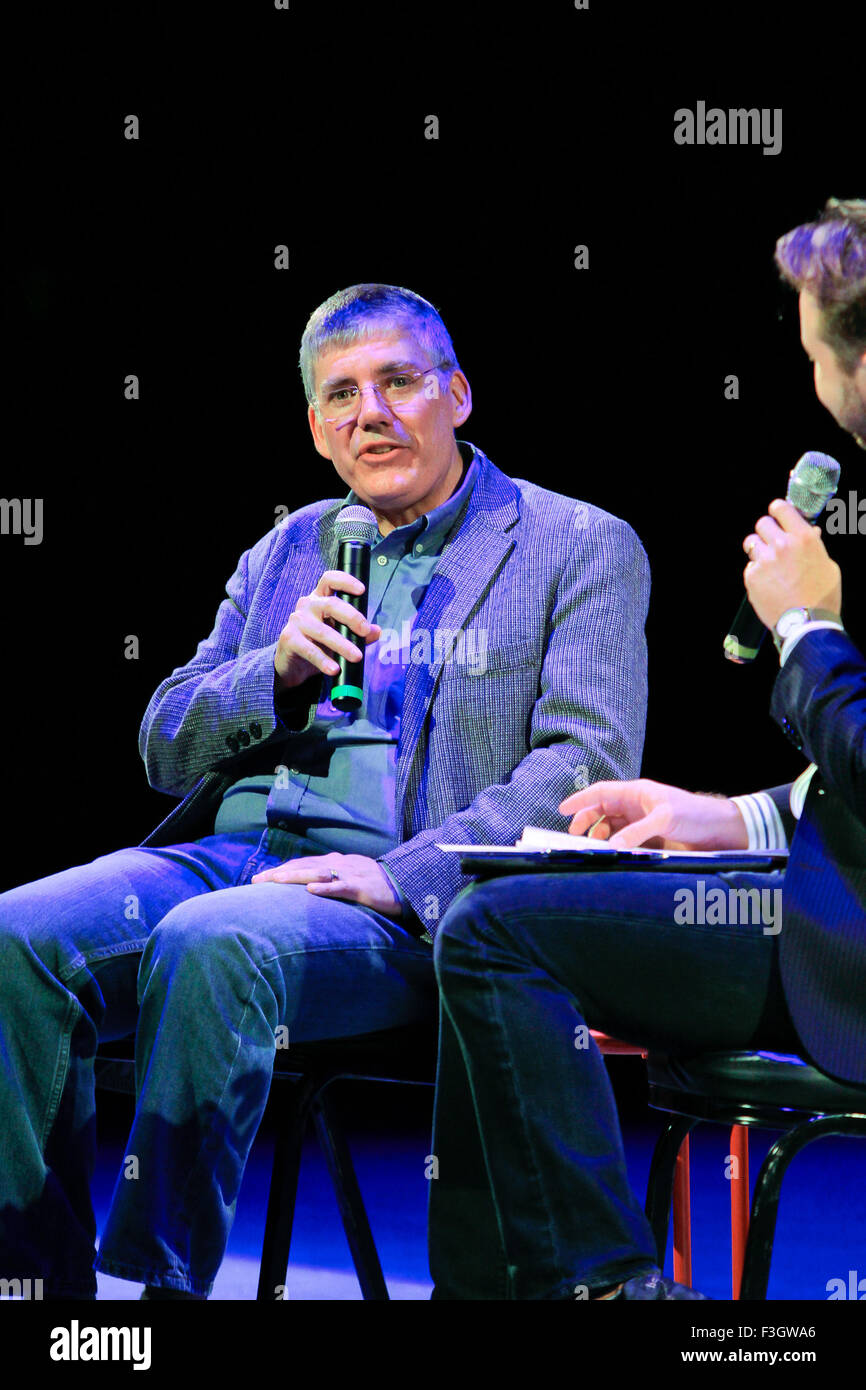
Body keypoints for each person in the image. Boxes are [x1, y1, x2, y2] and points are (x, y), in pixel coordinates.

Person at [0, 283, 650, 1299]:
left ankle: (151, 1291)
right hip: (222, 857)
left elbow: (583, 767)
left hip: (403, 909)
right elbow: (162, 742)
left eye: (398, 381)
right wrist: (275, 673)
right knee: (14, 937)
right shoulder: (289, 547)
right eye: (340, 395)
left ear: (458, 394)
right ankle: (34, 1291)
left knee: (214, 938)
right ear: (315, 427)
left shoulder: (576, 545)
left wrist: (402, 874)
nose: (370, 414)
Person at [427, 197, 866, 1301]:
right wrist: (734, 816)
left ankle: (610, 1291)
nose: (812, 377)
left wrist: (806, 630)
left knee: (492, 934)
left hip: (846, 942)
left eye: (813, 348)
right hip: (824, 889)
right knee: (498, 907)